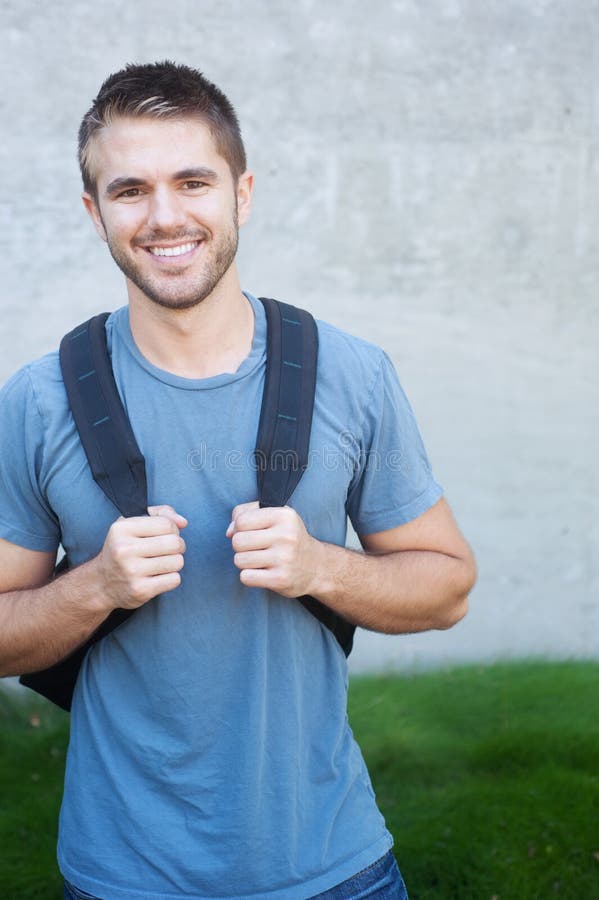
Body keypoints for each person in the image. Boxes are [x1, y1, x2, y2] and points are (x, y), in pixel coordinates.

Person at [0, 61, 476, 899]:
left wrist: (322, 567)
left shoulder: (351, 375)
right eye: (129, 190)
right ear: (93, 211)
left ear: (241, 193)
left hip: (334, 867)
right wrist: (96, 586)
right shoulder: (39, 399)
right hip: (122, 876)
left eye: (193, 181)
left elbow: (446, 589)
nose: (164, 216)